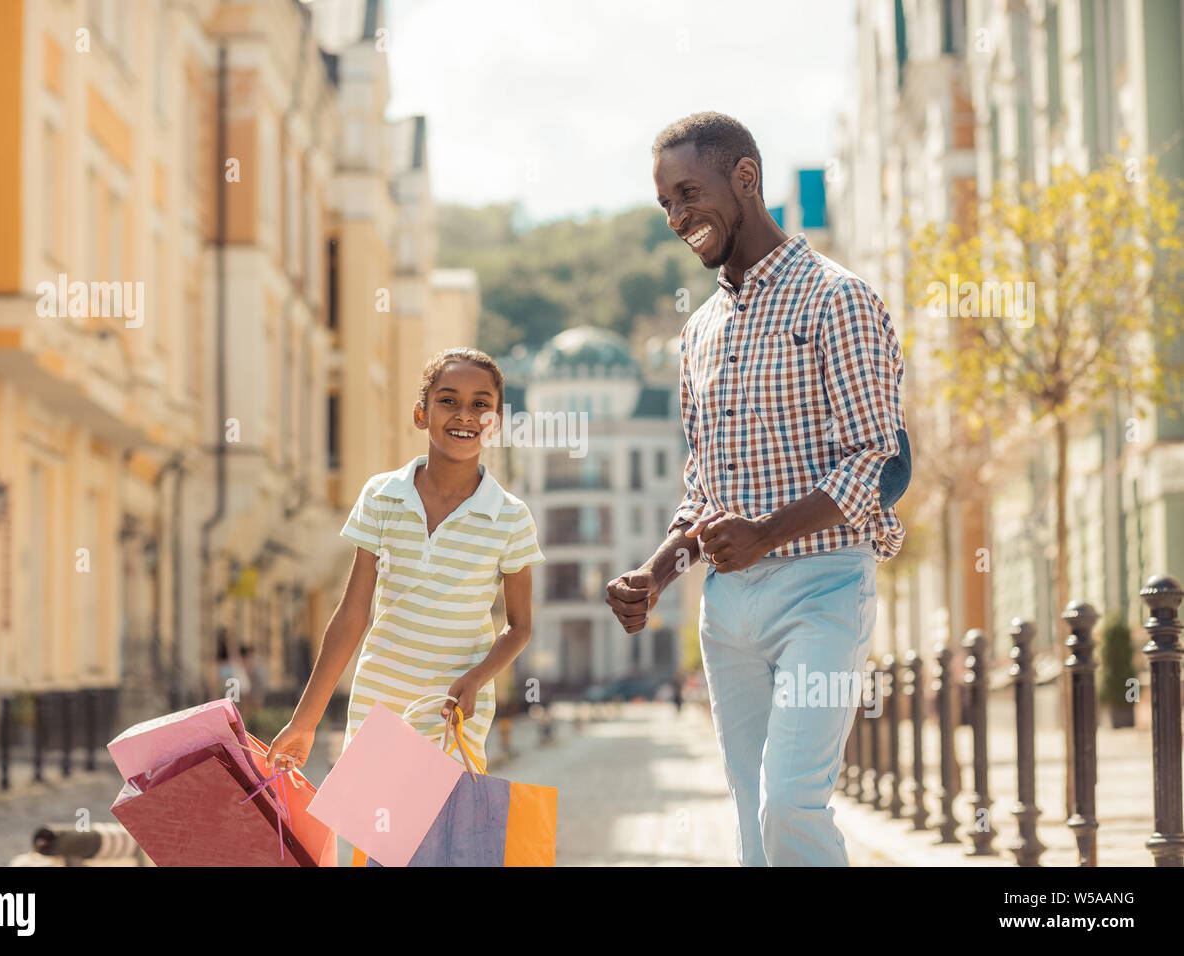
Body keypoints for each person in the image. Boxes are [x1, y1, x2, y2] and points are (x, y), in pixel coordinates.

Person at [605, 112, 911, 867]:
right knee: (750, 819)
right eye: (665, 204)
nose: (678, 217)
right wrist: (657, 569)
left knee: (789, 805)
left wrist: (767, 534)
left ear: (745, 178)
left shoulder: (836, 298)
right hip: (727, 612)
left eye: (689, 192)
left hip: (823, 590)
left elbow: (874, 455)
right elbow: (702, 488)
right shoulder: (700, 331)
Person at [266, 348, 544, 777]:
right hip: (380, 703)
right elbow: (352, 615)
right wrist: (305, 722)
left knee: (442, 840)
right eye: (448, 401)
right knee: (378, 840)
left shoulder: (510, 516)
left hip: (453, 711)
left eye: (481, 405)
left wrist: (477, 678)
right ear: (421, 415)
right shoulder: (382, 495)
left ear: (496, 423)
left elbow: (519, 626)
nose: (464, 415)